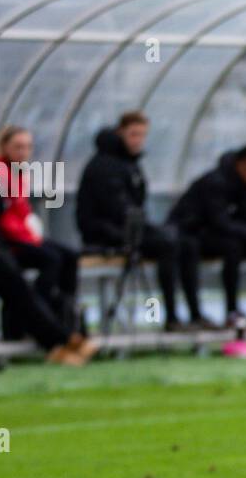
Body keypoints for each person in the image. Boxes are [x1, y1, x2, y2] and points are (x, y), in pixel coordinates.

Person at [75, 111, 212, 331]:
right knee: (168, 245)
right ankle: (171, 318)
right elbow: (118, 210)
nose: (138, 140)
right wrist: (152, 231)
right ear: (120, 133)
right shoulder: (105, 166)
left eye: (142, 135)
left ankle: (195, 314)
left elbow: (132, 209)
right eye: (133, 134)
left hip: (128, 229)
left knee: (188, 244)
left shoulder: (129, 163)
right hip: (104, 234)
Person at [169, 145, 246, 328]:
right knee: (233, 247)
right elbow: (219, 222)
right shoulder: (215, 182)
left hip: (219, 235)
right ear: (238, 165)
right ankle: (230, 311)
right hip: (192, 234)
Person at [0, 125, 85, 335]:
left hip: (24, 235)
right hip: (8, 241)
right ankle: (39, 313)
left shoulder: (19, 172)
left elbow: (21, 210)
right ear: (5, 146)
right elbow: (2, 217)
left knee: (70, 256)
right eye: (18, 147)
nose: (23, 152)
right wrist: (29, 235)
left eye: (27, 147)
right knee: (51, 259)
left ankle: (66, 311)